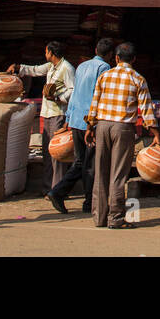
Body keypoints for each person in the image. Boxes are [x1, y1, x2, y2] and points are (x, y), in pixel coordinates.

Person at [84, 42, 160, 229]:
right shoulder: (138, 79)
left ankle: (99, 217)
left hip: (102, 126)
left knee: (101, 172)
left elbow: (95, 103)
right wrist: (155, 133)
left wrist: (90, 126)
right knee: (118, 174)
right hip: (123, 128)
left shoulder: (105, 76)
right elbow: (147, 110)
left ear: (116, 58)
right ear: (134, 59)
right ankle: (115, 218)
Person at [48, 37, 115, 215]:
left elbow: (76, 94)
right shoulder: (105, 69)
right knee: (90, 163)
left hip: (77, 119)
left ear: (95, 50)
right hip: (89, 121)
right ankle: (85, 200)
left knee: (81, 160)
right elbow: (98, 96)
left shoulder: (82, 66)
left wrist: (68, 120)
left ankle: (60, 192)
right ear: (110, 55)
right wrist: (93, 123)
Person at [8, 40, 75, 197]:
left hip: (59, 113)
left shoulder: (67, 68)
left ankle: (58, 189)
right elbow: (35, 70)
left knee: (57, 153)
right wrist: (18, 67)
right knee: (47, 152)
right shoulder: (51, 66)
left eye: (46, 52)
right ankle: (47, 188)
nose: (45, 55)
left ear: (51, 53)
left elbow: (73, 90)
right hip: (47, 113)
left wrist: (58, 97)